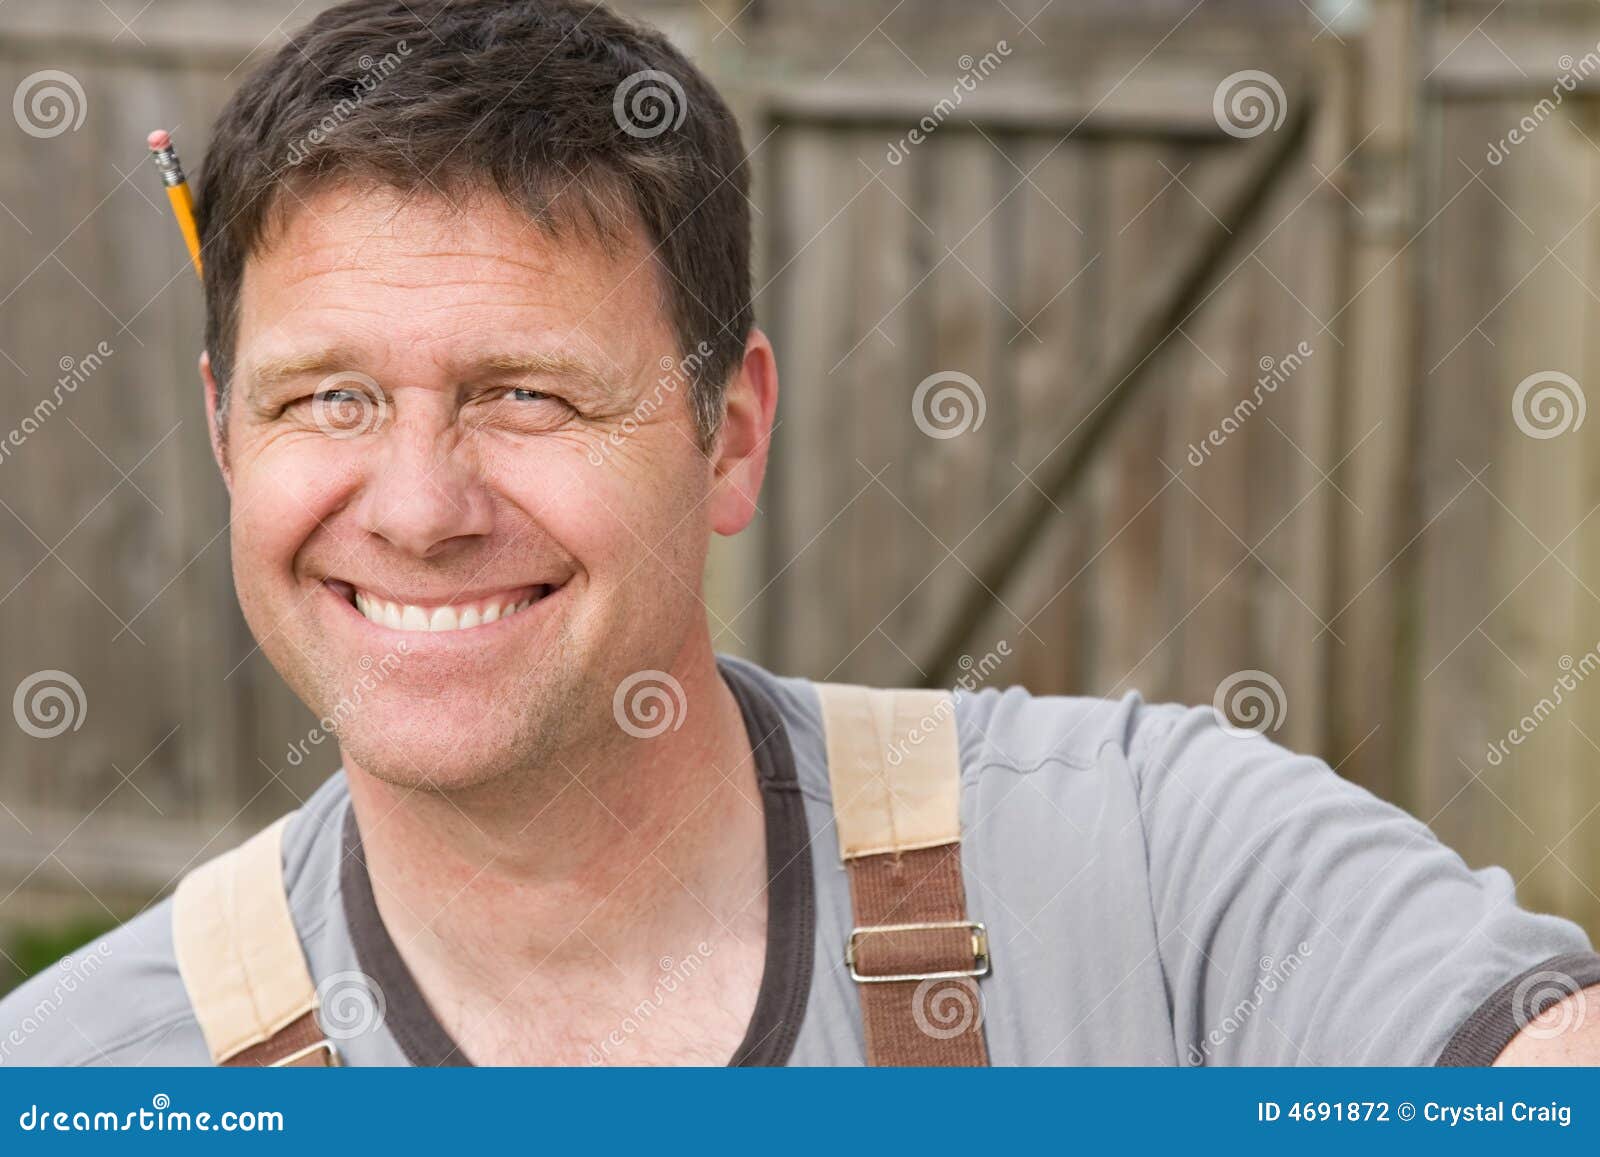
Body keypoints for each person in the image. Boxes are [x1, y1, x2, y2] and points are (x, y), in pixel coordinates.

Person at [2, 0, 1596, 1068]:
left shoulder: (1156, 868)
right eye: (328, 401)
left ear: (731, 432)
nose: (420, 507)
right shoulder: (89, 1071)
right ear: (226, 435)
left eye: (531, 395)